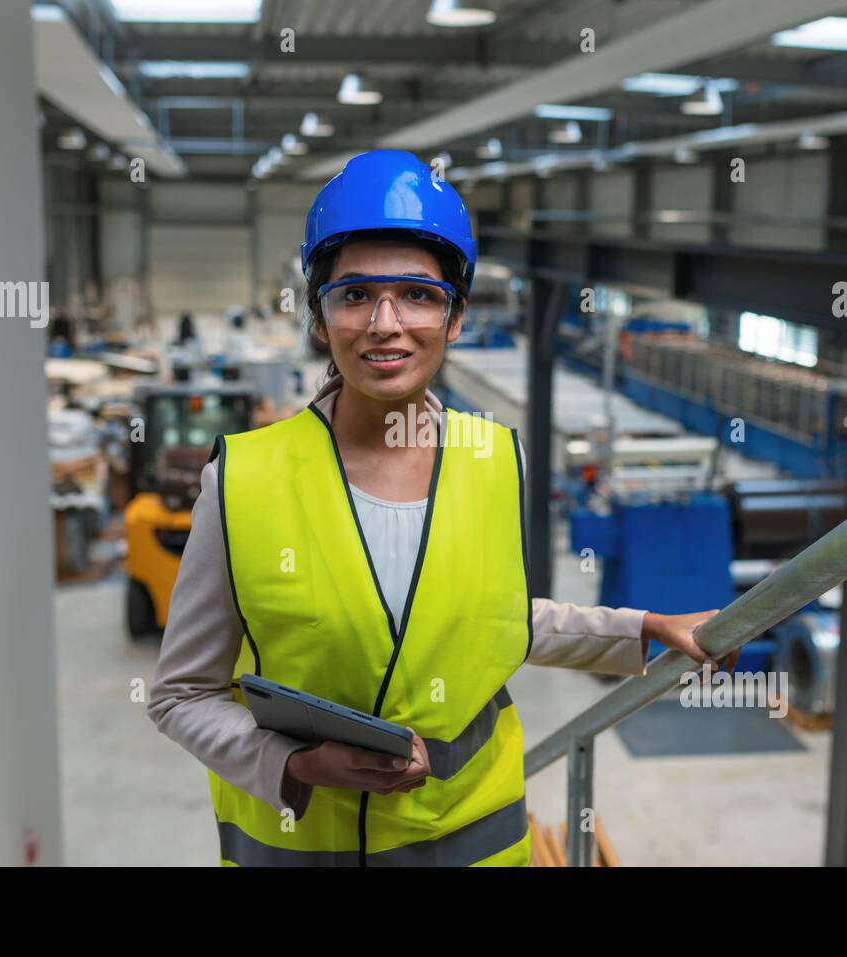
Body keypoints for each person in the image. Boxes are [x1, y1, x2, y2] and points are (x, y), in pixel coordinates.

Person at [147, 149, 735, 867]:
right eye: (355, 294)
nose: (386, 323)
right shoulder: (242, 479)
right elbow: (180, 694)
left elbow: (493, 622)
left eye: (419, 295)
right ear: (321, 318)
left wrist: (644, 629)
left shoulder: (495, 458)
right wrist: (289, 766)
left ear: (455, 317)